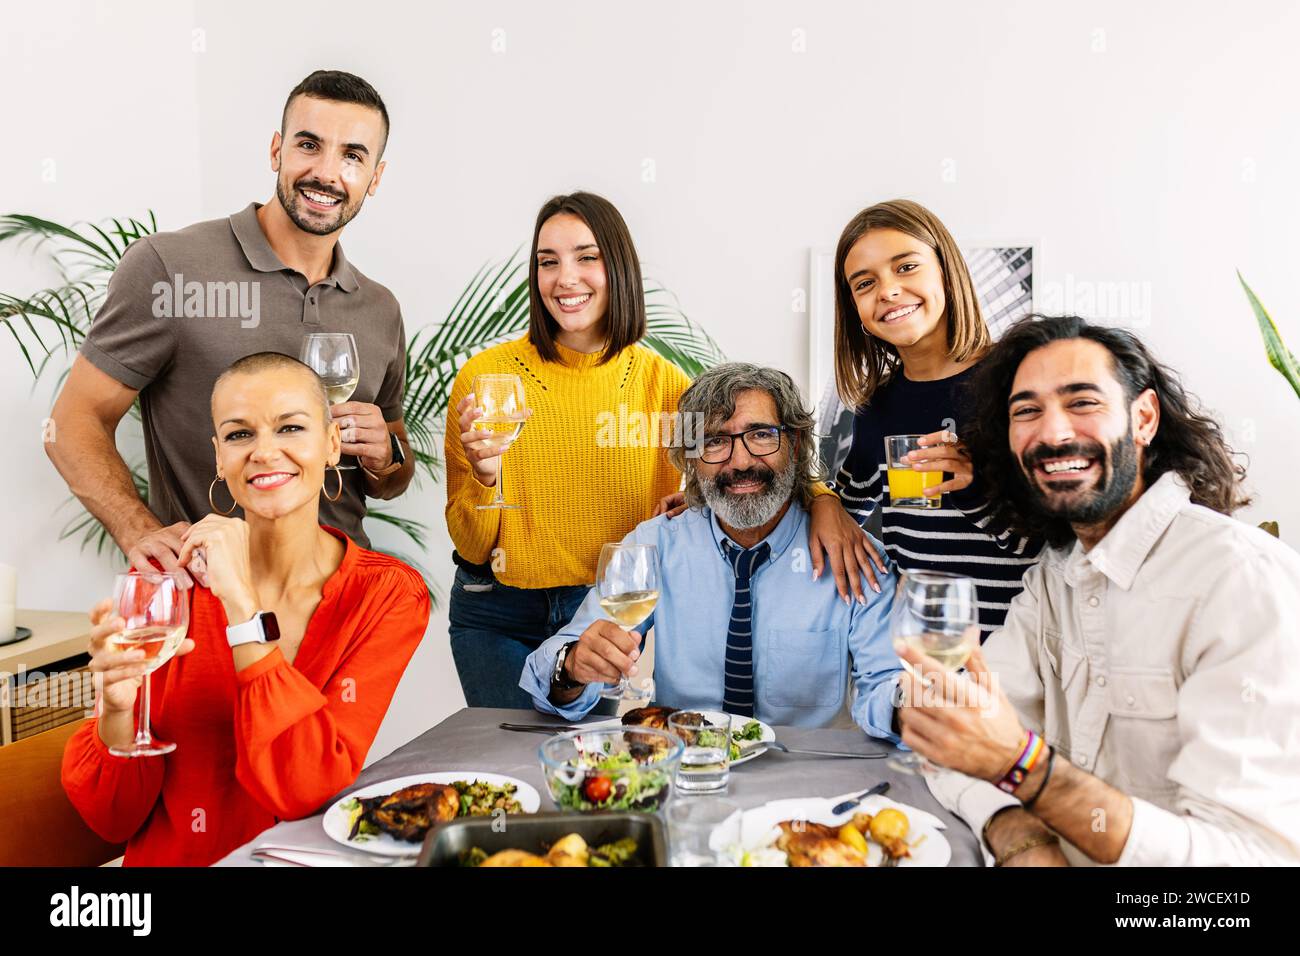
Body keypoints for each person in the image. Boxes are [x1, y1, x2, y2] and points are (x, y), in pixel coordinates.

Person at [894, 315, 1300, 866]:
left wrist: (1024, 767)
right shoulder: (1049, 581)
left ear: (1144, 418)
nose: (1054, 433)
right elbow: (959, 752)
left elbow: (1246, 865)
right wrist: (1023, 839)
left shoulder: (1241, 581)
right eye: (1027, 411)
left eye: (1082, 402)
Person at [446, 192, 877, 708]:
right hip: (496, 610)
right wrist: (485, 478)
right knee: (506, 767)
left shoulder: (668, 388)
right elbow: (473, 546)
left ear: (620, 267)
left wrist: (823, 500)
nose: (565, 278)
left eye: (587, 256)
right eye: (547, 261)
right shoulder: (486, 380)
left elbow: (747, 457)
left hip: (612, 603)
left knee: (584, 773)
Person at [62, 353, 430, 866]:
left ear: (330, 445)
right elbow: (111, 820)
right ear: (218, 458)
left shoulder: (385, 595)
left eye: (290, 427)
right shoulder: (166, 586)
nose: (264, 452)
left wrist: (241, 606)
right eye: (239, 435)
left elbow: (304, 789)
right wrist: (119, 715)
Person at [46, 69, 414, 577]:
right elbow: (70, 421)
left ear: (374, 178)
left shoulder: (379, 307)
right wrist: (137, 529)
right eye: (309, 145)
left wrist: (386, 456)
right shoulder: (170, 267)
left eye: (352, 155)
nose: (327, 173)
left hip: (343, 599)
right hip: (210, 597)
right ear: (276, 152)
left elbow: (390, 476)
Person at [520, 363, 902, 735]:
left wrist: (907, 708)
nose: (740, 461)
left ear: (795, 443)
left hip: (809, 781)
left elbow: (884, 683)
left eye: (761, 435)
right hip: (682, 772)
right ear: (691, 458)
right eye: (714, 441)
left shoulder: (853, 557)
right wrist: (571, 668)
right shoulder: (654, 544)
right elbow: (551, 678)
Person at [831, 199, 1042, 640]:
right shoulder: (878, 407)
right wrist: (707, 510)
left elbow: (1049, 545)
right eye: (865, 283)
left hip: (1019, 663)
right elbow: (844, 509)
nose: (887, 291)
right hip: (923, 662)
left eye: (905, 267)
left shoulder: (1019, 383)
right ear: (855, 311)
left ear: (947, 270)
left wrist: (975, 485)